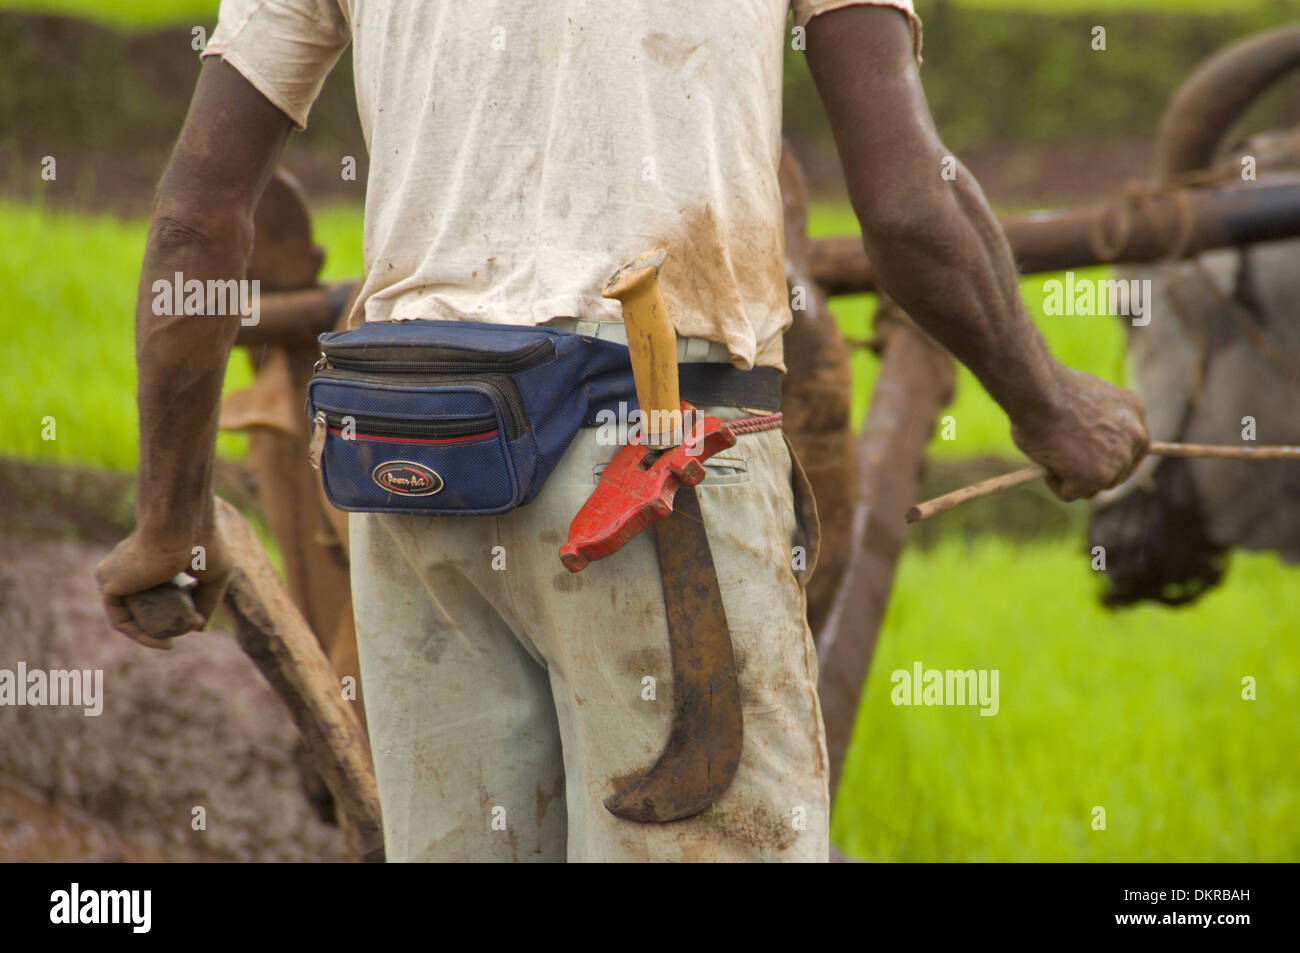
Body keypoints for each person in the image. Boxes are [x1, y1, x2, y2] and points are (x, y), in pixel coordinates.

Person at [95, 0, 1148, 862]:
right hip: (654, 460)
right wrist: (1047, 402)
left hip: (418, 467)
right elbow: (911, 205)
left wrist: (169, 519)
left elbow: (195, 217)